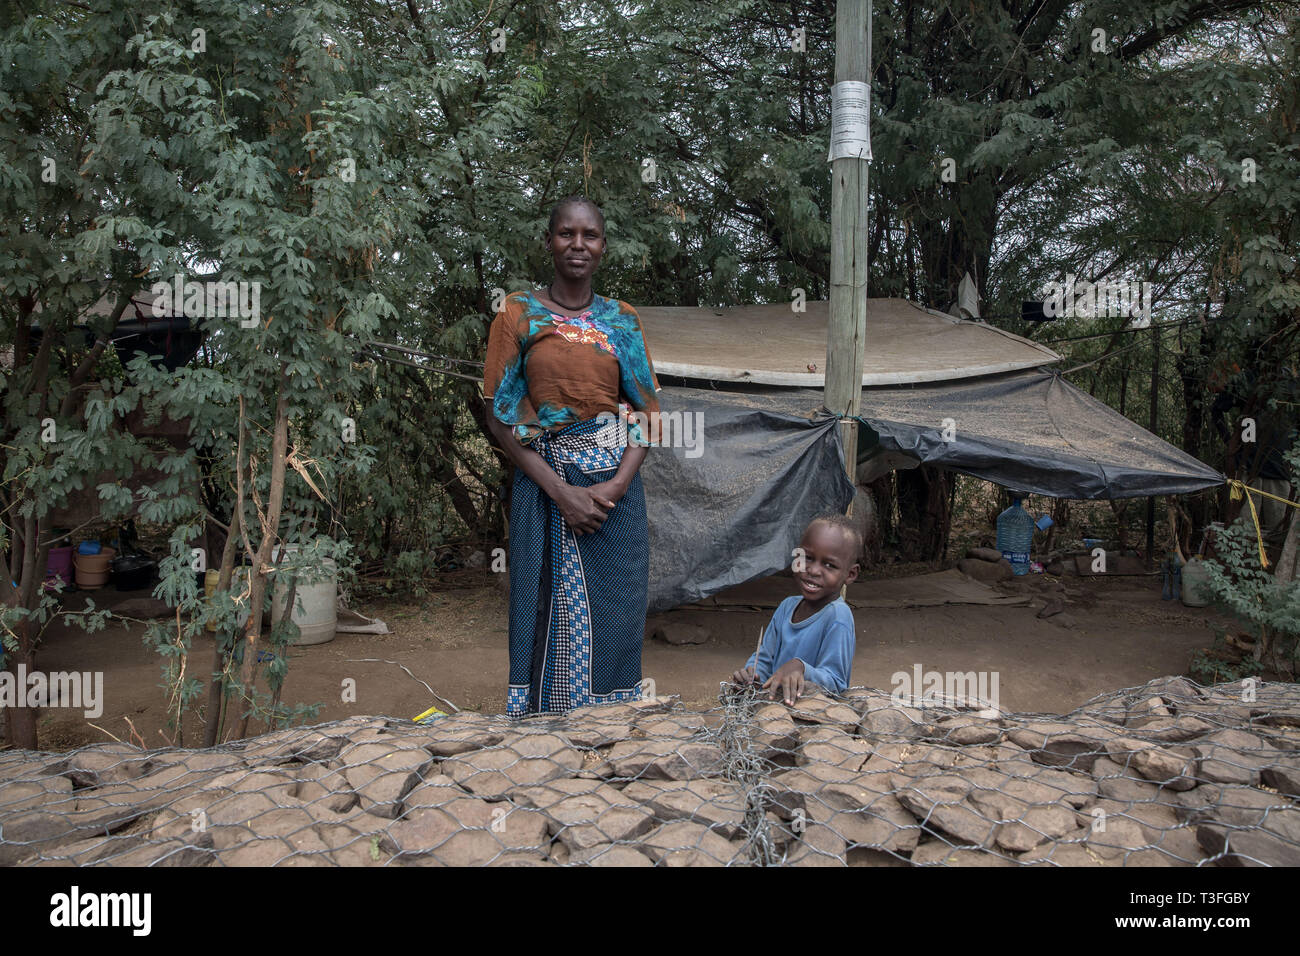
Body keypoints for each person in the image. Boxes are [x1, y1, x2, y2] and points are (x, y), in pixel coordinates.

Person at [482, 196, 662, 717]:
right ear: (549, 241)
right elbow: (500, 416)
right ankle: (544, 724)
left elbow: (648, 414)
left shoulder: (621, 319)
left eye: (590, 236)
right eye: (566, 234)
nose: (577, 245)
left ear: (603, 246)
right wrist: (563, 494)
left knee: (617, 608)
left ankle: (609, 723)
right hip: (544, 488)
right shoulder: (517, 312)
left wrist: (615, 488)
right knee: (543, 606)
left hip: (615, 496)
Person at [731, 514, 861, 704]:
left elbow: (836, 683)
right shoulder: (787, 606)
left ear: (850, 574)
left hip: (814, 718)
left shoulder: (837, 616)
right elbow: (765, 659)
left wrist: (801, 668)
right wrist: (752, 674)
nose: (814, 570)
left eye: (829, 565)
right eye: (807, 558)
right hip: (773, 712)